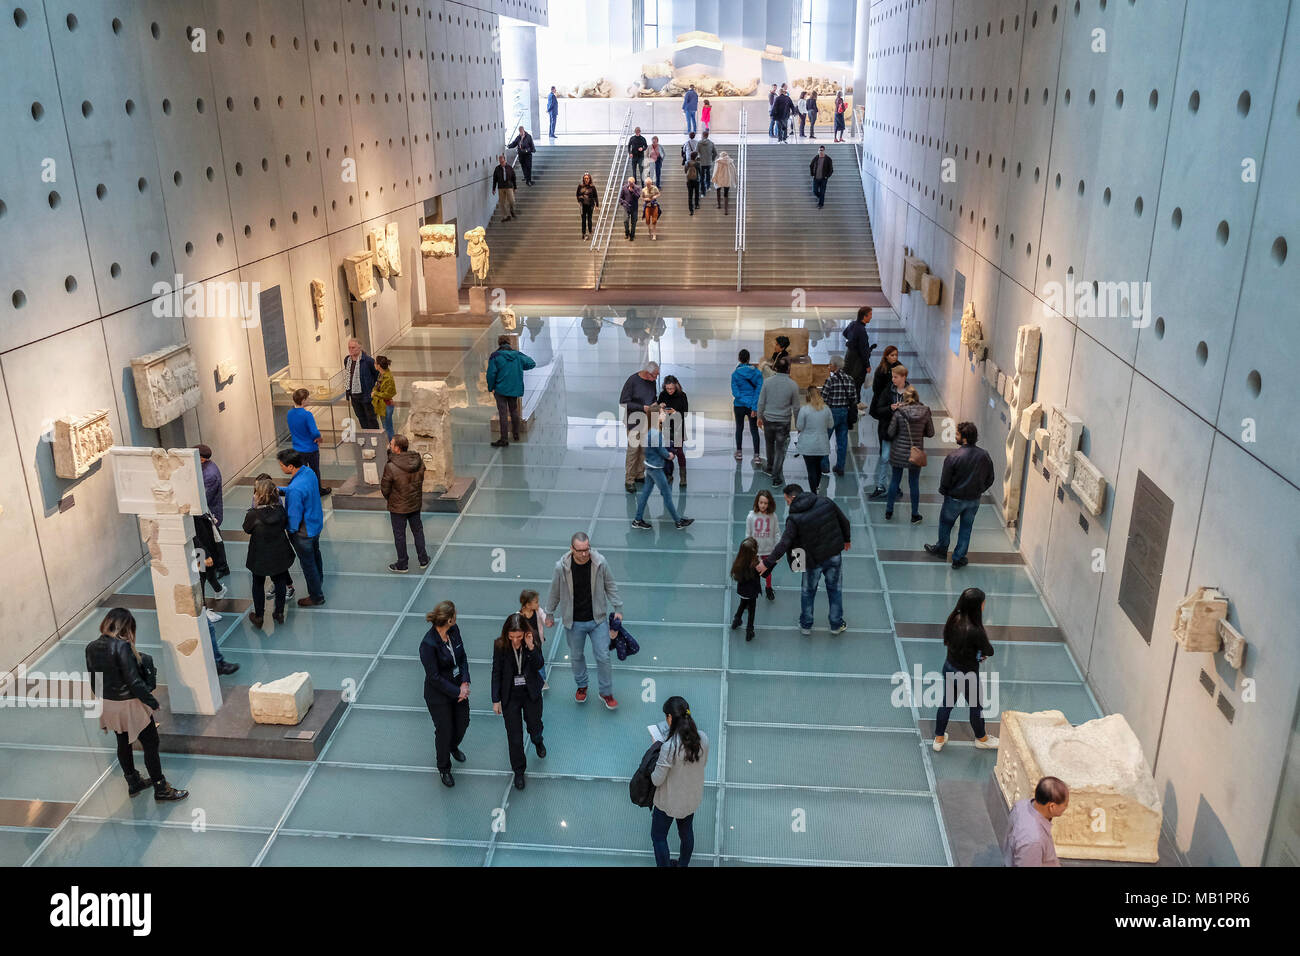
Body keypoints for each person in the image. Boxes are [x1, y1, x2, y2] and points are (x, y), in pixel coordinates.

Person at [85, 608, 189, 802]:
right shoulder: (121, 647)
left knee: (122, 741)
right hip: (129, 704)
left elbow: (94, 681)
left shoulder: (91, 646)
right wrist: (152, 701)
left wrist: (104, 701)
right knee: (151, 743)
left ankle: (133, 782)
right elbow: (133, 681)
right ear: (126, 628)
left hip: (108, 703)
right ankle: (161, 788)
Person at [755, 483, 851, 636]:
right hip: (833, 555)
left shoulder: (794, 519)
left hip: (813, 561)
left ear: (793, 498)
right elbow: (844, 521)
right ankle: (836, 624)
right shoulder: (826, 502)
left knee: (808, 591)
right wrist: (847, 540)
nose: (787, 504)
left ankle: (806, 624)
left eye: (787, 501)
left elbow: (784, 543)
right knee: (835, 589)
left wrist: (767, 563)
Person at [543, 532, 623, 708]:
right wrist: (549, 613)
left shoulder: (600, 562)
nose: (584, 554)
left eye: (586, 549)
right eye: (580, 550)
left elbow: (610, 585)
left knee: (603, 656)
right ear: (572, 549)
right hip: (574, 622)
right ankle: (582, 686)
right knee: (576, 656)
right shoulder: (561, 567)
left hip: (598, 619)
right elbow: (554, 591)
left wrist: (618, 608)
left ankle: (606, 692)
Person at [932, 587, 999, 753]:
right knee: (976, 707)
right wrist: (980, 654)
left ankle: (939, 738)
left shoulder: (954, 618)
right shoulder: (976, 630)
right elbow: (989, 651)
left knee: (947, 704)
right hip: (967, 675)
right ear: (978, 606)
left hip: (949, 667)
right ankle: (982, 738)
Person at [926, 422, 996, 569]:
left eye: (957, 434)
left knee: (946, 525)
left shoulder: (953, 456)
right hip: (973, 500)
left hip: (954, 499)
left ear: (964, 438)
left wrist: (945, 492)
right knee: (966, 528)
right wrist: (980, 489)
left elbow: (945, 480)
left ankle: (941, 549)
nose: (955, 436)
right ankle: (958, 557)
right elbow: (990, 478)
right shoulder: (984, 455)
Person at [650, 696, 709, 867]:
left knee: (659, 836)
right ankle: (683, 864)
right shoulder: (703, 738)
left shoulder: (669, 747)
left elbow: (656, 780)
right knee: (686, 833)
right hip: (691, 798)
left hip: (668, 802)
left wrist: (655, 748)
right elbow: (702, 764)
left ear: (670, 718)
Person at [492, 613, 546, 790]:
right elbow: (496, 672)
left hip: (530, 692)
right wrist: (496, 699)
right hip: (510, 695)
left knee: (534, 725)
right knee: (514, 736)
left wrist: (530, 647)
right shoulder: (500, 645)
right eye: (512, 636)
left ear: (525, 633)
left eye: (519, 636)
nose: (515, 641)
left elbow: (539, 665)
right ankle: (519, 771)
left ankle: (538, 740)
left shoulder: (533, 639)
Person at [419, 600, 471, 787]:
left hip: (459, 689)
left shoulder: (454, 631)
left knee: (463, 721)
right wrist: (457, 691)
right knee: (444, 730)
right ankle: (444, 768)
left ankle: (452, 746)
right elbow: (433, 677)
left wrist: (464, 681)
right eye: (455, 615)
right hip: (439, 695)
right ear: (449, 619)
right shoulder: (428, 644)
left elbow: (463, 657)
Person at [242, 476, 296, 627]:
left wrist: (254, 508)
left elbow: (247, 529)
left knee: (258, 583)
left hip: (259, 554)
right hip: (279, 552)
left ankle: (259, 616)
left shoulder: (253, 514)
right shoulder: (280, 510)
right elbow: (285, 524)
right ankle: (278, 613)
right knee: (279, 581)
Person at [277, 449, 326, 607]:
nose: (281, 468)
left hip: (303, 533)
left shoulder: (295, 489)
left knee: (308, 564)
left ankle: (316, 596)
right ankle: (319, 582)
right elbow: (303, 491)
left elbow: (294, 517)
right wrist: (281, 490)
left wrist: (290, 531)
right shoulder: (309, 472)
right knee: (316, 555)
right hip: (315, 525)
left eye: (282, 465)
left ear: (290, 466)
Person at [380, 434, 429, 573]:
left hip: (398, 508)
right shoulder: (418, 461)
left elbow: (385, 489)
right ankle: (423, 559)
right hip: (414, 504)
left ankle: (402, 564)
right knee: (418, 531)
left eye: (391, 444)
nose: (389, 446)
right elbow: (420, 479)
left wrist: (392, 499)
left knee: (399, 535)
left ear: (397, 448)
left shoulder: (390, 466)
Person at [631, 424, 695, 530]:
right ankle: (678, 522)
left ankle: (637, 520)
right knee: (667, 495)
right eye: (661, 413)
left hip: (649, 465)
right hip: (656, 468)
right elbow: (661, 451)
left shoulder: (651, 432)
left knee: (645, 494)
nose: (664, 413)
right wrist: (669, 455)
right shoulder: (656, 433)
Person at [885, 384, 934, 522]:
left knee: (895, 480)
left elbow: (890, 432)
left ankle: (889, 511)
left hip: (898, 453)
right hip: (915, 452)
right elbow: (931, 433)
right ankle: (914, 514)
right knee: (914, 483)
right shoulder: (925, 411)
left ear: (904, 398)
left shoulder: (899, 412)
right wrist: (919, 431)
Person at [1003, 777, 1070, 866]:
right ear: (1052, 807)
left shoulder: (1021, 805)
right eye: (1065, 805)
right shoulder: (1034, 841)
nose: (1066, 807)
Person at [756, 355, 800, 486]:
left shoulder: (767, 382)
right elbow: (796, 407)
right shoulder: (793, 385)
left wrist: (759, 417)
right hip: (783, 422)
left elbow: (761, 402)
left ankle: (770, 467)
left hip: (768, 419)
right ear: (788, 369)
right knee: (780, 448)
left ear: (776, 368)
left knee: (769, 445)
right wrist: (798, 424)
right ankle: (776, 476)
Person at [486, 335, 536, 446]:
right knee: (514, 411)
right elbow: (531, 363)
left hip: (500, 389)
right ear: (509, 343)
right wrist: (520, 366)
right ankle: (516, 434)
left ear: (499, 343)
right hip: (514, 389)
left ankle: (504, 439)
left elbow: (491, 374)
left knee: (503, 414)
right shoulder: (517, 355)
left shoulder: (495, 356)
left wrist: (491, 387)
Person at [868, 348, 903, 498]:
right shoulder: (884, 384)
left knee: (893, 457)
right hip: (886, 422)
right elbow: (877, 394)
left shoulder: (905, 391)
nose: (894, 357)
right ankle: (883, 485)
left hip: (896, 424)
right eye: (892, 355)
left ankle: (893, 485)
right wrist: (889, 406)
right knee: (885, 455)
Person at [620, 361, 658, 493]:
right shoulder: (632, 381)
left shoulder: (651, 381)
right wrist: (642, 407)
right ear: (648, 374)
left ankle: (640, 475)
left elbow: (653, 396)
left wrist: (654, 404)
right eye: (655, 376)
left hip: (647, 420)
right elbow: (623, 402)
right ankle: (629, 480)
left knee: (643, 449)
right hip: (634, 421)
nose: (656, 378)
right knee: (633, 450)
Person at [286, 388, 330, 497]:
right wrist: (319, 438)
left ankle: (303, 492)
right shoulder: (307, 414)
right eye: (307, 398)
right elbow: (314, 432)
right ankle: (318, 490)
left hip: (297, 448)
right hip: (310, 449)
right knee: (315, 470)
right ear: (303, 400)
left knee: (301, 472)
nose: (309, 399)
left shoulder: (290, 413)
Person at [820, 354, 855, 477]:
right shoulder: (850, 379)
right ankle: (840, 466)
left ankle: (824, 466)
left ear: (834, 366)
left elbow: (822, 398)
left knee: (825, 439)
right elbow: (854, 398)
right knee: (842, 441)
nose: (829, 366)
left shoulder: (831, 380)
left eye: (830, 364)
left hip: (831, 413)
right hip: (845, 412)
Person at [197, 444, 229, 576]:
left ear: (201, 459)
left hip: (209, 513)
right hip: (205, 512)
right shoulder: (204, 467)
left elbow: (203, 498)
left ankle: (221, 567)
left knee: (215, 540)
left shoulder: (209, 474)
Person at [795, 385, 833, 494]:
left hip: (807, 445)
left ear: (807, 396)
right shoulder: (826, 409)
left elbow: (799, 427)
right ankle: (817, 487)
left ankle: (813, 492)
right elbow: (831, 425)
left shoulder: (805, 409)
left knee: (811, 470)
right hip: (822, 444)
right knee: (817, 468)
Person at [746, 489, 781, 601]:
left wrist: (778, 549)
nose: (763, 505)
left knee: (767, 572)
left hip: (769, 551)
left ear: (769, 503)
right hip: (755, 552)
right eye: (761, 502)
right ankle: (752, 592)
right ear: (757, 502)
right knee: (752, 573)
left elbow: (776, 532)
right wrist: (749, 550)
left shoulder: (773, 516)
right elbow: (748, 534)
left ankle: (768, 588)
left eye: (765, 503)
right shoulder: (751, 516)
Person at [731, 348, 763, 463]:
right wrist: (753, 406)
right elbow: (758, 391)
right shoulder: (757, 373)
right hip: (752, 406)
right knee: (754, 430)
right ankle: (756, 456)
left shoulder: (735, 374)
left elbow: (736, 393)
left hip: (739, 406)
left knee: (739, 428)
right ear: (749, 359)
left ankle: (739, 452)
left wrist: (744, 402)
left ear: (739, 359)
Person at [657, 375, 688, 485]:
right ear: (664, 387)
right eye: (668, 388)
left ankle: (683, 477)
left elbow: (685, 412)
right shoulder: (662, 395)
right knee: (667, 452)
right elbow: (657, 409)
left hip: (678, 427)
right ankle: (668, 474)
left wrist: (675, 412)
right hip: (666, 427)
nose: (670, 391)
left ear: (676, 386)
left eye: (672, 388)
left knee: (679, 452)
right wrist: (660, 406)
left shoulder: (682, 395)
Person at [343, 338, 380, 430]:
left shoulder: (368, 361)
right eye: (349, 348)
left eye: (353, 347)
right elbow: (349, 375)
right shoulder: (347, 360)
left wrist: (373, 390)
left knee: (371, 418)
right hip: (354, 396)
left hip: (366, 396)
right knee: (361, 417)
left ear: (359, 348)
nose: (351, 350)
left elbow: (377, 375)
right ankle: (367, 436)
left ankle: (375, 438)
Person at [730, 537, 762, 641]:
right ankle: (749, 630)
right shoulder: (755, 564)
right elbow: (764, 573)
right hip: (752, 592)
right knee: (751, 611)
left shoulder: (739, 563)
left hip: (742, 591)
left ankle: (736, 620)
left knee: (742, 604)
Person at [843, 305, 875, 406]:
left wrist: (852, 341)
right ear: (864, 316)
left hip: (849, 355)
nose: (871, 317)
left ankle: (848, 400)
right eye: (870, 315)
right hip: (857, 359)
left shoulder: (853, 324)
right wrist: (867, 365)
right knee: (858, 380)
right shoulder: (862, 331)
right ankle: (856, 403)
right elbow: (864, 351)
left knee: (848, 377)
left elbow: (844, 333)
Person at [518, 588, 548, 689]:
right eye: (536, 602)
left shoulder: (538, 611)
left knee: (539, 660)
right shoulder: (519, 616)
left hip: (537, 642)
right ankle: (526, 680)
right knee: (526, 661)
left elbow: (544, 616)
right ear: (527, 605)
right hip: (525, 644)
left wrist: (547, 621)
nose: (538, 604)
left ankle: (542, 680)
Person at [372, 355, 396, 439]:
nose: (374, 364)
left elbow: (389, 394)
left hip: (386, 405)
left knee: (388, 428)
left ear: (378, 366)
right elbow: (377, 386)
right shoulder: (381, 374)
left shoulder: (388, 377)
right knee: (386, 427)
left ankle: (392, 446)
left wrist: (375, 394)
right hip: (382, 406)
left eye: (375, 363)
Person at [492, 153, 518, 220]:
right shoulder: (497, 169)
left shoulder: (509, 168)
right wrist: (493, 188)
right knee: (502, 203)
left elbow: (513, 177)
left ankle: (511, 210)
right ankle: (505, 216)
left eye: (502, 162)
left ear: (505, 160)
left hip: (509, 186)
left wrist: (515, 187)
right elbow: (495, 179)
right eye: (500, 162)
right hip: (501, 187)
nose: (501, 163)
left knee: (512, 201)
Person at [576, 172, 599, 239]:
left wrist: (597, 205)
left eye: (587, 178)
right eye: (585, 178)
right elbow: (577, 194)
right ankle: (583, 233)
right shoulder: (580, 186)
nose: (586, 179)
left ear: (589, 179)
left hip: (590, 204)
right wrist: (579, 200)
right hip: (583, 205)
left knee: (589, 218)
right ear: (583, 179)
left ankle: (590, 231)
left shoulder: (592, 187)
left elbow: (595, 196)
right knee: (583, 220)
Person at [619, 176, 641, 241]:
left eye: (631, 183)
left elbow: (638, 196)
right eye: (629, 182)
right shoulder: (624, 188)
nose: (630, 184)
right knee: (625, 221)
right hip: (626, 207)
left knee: (634, 222)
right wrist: (624, 203)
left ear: (634, 183)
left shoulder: (637, 188)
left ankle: (632, 235)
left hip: (634, 208)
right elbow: (620, 198)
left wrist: (633, 191)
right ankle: (627, 233)